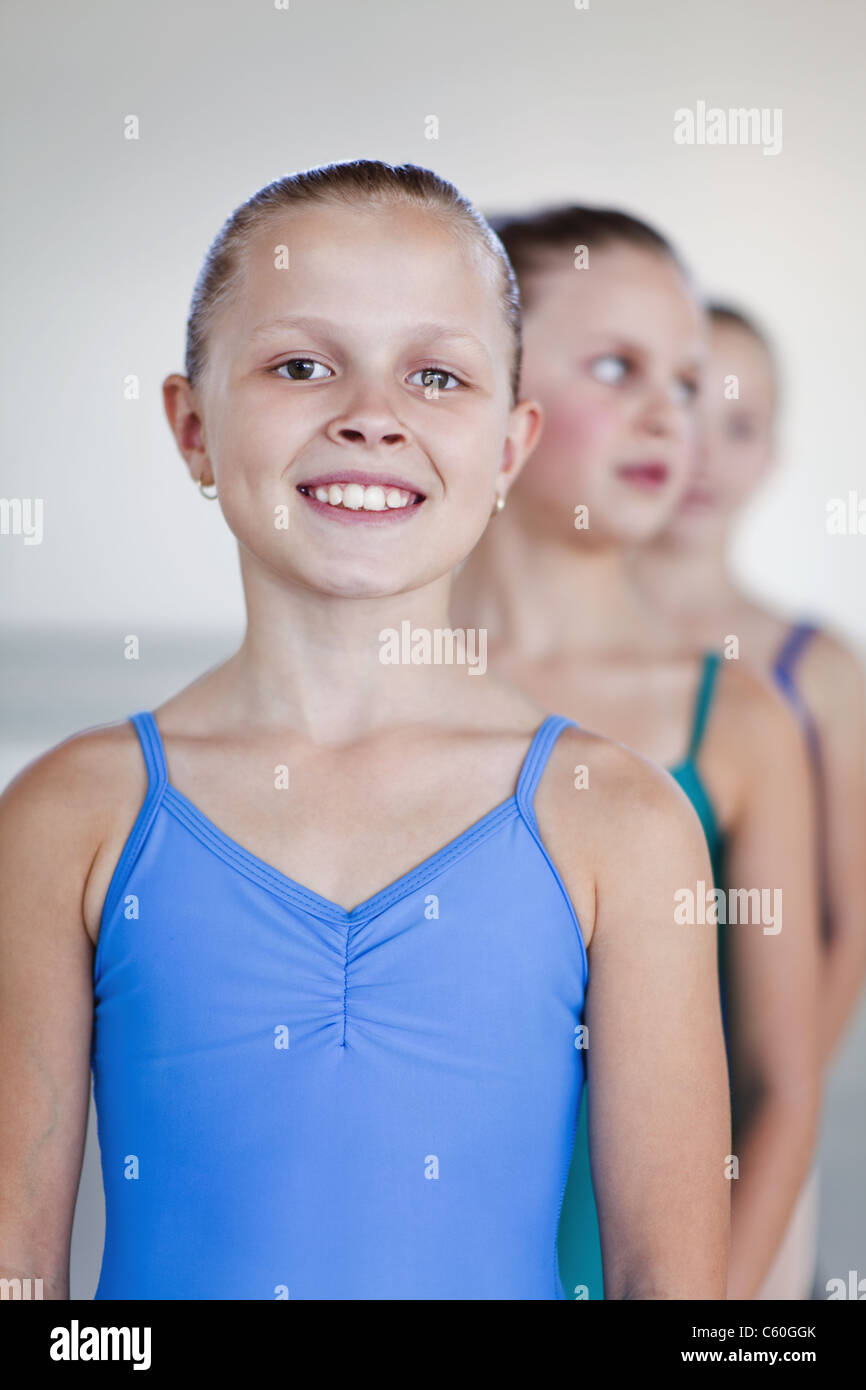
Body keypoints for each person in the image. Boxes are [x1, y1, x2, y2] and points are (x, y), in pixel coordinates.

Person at [0, 162, 728, 1300]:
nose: (371, 416)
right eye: (301, 365)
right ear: (193, 427)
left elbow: (673, 1296)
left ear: (507, 448)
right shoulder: (68, 814)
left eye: (434, 375)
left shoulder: (621, 820)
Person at [451, 206, 821, 1300]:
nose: (673, 420)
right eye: (617, 368)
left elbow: (780, 1089)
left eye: (686, 383)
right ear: (490, 395)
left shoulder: (738, 718)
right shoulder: (368, 692)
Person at [631, 302, 866, 1296]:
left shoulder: (811, 671)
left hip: (742, 1127)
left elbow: (845, 922)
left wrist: (770, 1113)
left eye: (739, 424)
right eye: (681, 409)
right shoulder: (540, 658)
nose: (704, 453)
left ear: (772, 453)